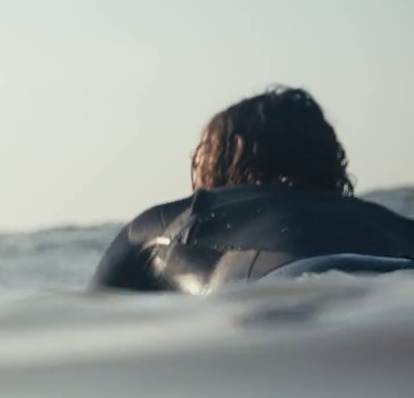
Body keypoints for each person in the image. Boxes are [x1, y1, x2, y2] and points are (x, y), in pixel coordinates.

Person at [92, 86, 414, 293]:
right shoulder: (392, 223)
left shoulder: (182, 220)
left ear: (239, 149)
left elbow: (98, 327)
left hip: (287, 287)